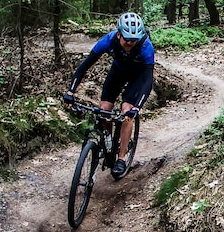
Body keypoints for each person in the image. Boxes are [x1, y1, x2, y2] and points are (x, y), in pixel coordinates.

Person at [62, 12, 156, 179]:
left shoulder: (145, 46)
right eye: (127, 38)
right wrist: (70, 91)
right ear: (118, 33)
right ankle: (107, 142)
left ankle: (121, 158)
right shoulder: (109, 40)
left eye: (133, 40)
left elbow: (148, 80)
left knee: (126, 111)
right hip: (118, 72)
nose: (130, 43)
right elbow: (85, 66)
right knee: (104, 108)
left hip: (138, 76)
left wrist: (137, 108)